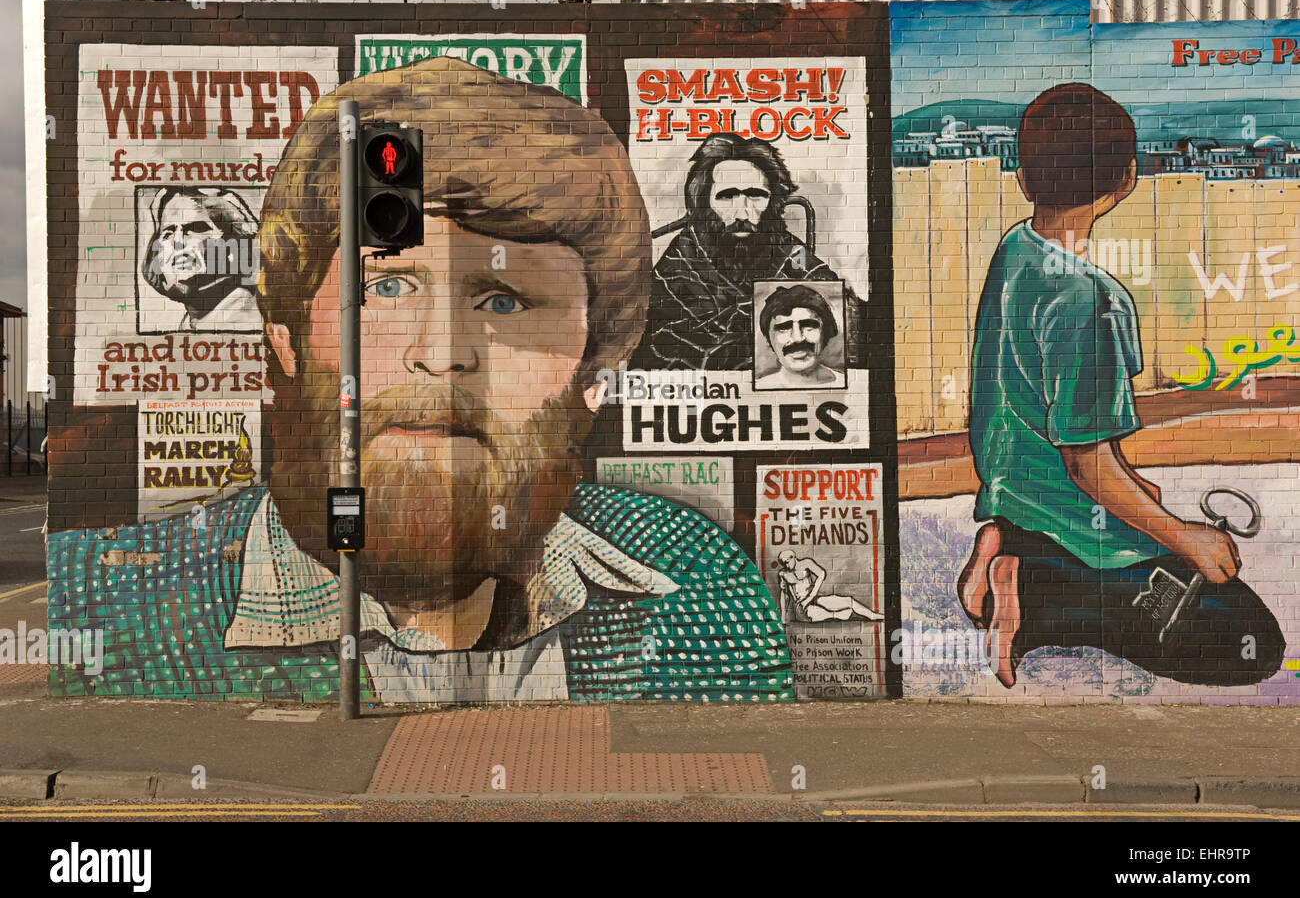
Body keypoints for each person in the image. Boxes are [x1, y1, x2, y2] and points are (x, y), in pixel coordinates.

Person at [48, 56, 793, 704]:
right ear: (284, 339)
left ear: (596, 373)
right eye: (388, 288)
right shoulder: (101, 604)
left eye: (504, 300)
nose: (440, 352)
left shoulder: (697, 587)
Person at [957, 82, 1284, 689]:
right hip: (1074, 520)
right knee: (1251, 645)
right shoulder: (1091, 300)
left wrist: (1139, 494)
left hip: (1016, 489)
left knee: (1159, 528)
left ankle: (1014, 544)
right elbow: (1086, 462)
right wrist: (1180, 536)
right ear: (1125, 181)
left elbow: (1028, 400)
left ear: (1025, 180)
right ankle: (1034, 594)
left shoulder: (1016, 249)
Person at [631, 132, 839, 371]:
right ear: (703, 201)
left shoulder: (791, 252)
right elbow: (658, 348)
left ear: (773, 201)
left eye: (756, 195)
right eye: (727, 196)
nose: (742, 213)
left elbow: (829, 296)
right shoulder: (680, 263)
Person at [142, 187, 262, 332]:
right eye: (168, 233)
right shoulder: (193, 325)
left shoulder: (247, 322)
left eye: (196, 228)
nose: (177, 242)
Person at [755, 284, 845, 389]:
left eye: (809, 325)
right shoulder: (761, 387)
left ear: (825, 332)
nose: (798, 338)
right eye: (784, 328)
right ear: (768, 339)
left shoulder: (847, 384)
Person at [775, 550, 881, 623]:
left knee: (847, 601)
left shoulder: (806, 563)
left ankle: (872, 615)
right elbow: (784, 596)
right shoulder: (783, 574)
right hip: (801, 606)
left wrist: (811, 596)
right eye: (783, 564)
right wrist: (783, 617)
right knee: (815, 613)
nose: (786, 566)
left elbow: (821, 574)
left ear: (793, 558)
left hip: (814, 598)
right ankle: (839, 615)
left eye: (787, 562)